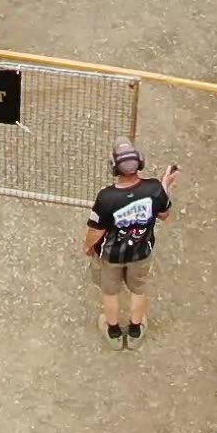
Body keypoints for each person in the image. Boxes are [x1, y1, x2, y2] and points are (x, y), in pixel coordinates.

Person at [85, 140, 179, 345]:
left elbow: (96, 230)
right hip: (141, 252)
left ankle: (114, 333)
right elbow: (164, 215)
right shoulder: (154, 189)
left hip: (110, 256)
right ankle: (135, 331)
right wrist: (164, 186)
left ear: (113, 167)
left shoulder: (107, 197)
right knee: (138, 290)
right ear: (140, 162)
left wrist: (88, 246)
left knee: (110, 293)